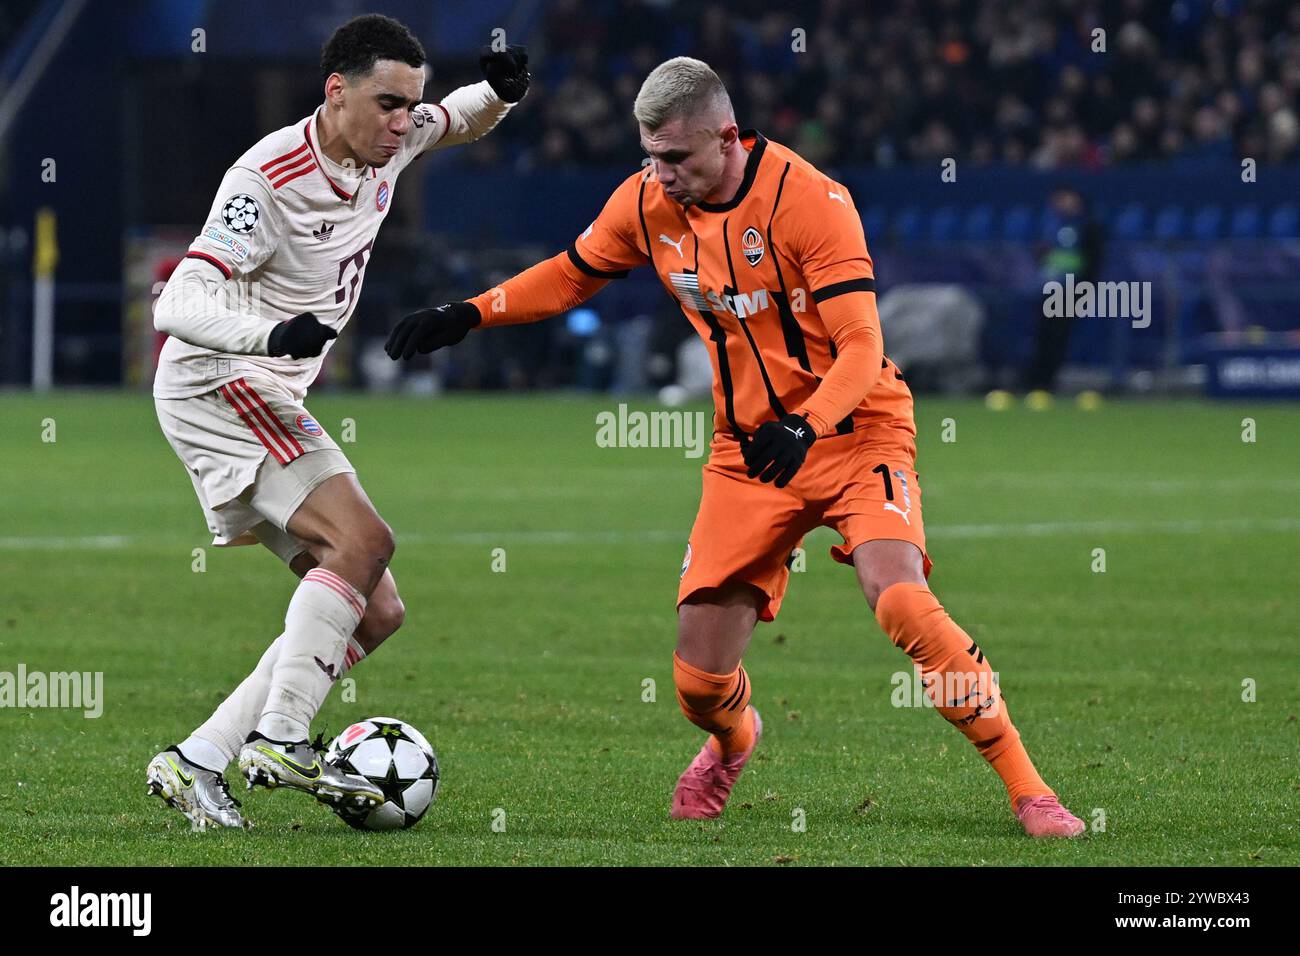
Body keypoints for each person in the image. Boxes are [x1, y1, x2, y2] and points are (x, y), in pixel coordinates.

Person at [387, 57, 1084, 837]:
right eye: (650, 155)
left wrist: (807, 424)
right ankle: (735, 739)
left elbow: (861, 347)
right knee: (696, 683)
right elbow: (573, 275)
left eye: (676, 157)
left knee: (902, 602)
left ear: (727, 137)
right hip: (748, 454)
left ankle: (1031, 792)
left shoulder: (812, 201)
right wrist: (469, 314)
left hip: (855, 432)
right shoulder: (649, 200)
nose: (662, 173)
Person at [147, 14, 529, 829]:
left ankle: (199, 760)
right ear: (336, 93)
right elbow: (177, 298)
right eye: (389, 104)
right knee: (365, 541)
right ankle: (282, 737)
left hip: (268, 389)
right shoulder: (267, 176)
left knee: (377, 606)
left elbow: (454, 118)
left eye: (409, 105)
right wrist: (268, 336)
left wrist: (499, 94)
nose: (404, 121)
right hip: (223, 378)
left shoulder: (390, 139)